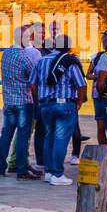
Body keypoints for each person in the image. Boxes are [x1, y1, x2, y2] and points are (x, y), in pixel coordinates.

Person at [29, 39, 87, 185]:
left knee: (49, 137)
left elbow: (32, 84)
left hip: (46, 105)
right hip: (65, 103)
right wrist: (79, 102)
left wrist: (40, 100)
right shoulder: (69, 61)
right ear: (68, 47)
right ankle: (57, 174)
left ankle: (48, 172)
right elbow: (81, 84)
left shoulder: (41, 61)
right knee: (61, 139)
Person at [0, 35, 42, 179]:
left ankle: (0, 167)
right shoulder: (24, 57)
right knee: (23, 136)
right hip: (23, 101)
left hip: (8, 101)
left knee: (6, 135)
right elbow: (35, 76)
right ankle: (22, 169)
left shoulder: (6, 53)